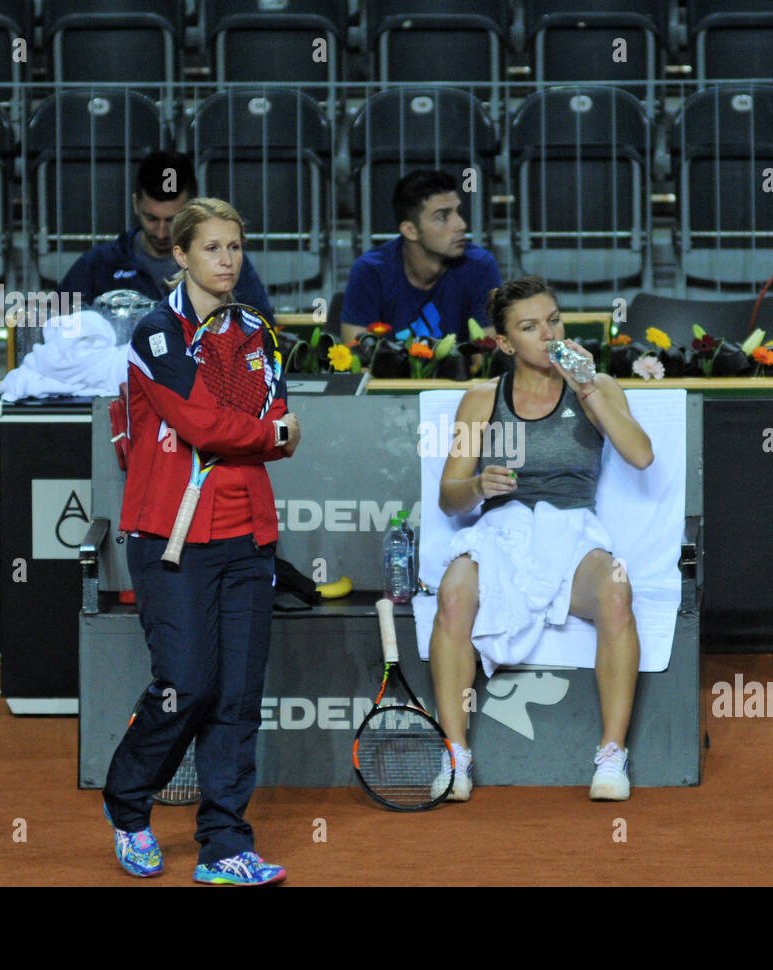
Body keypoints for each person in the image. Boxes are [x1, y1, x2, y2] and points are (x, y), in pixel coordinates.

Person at [102, 197, 300, 885]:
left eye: (236, 248)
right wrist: (258, 432)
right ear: (179, 255)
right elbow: (213, 425)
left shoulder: (258, 332)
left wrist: (255, 430)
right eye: (212, 248)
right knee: (185, 683)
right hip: (170, 535)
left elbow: (275, 421)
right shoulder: (154, 334)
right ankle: (128, 805)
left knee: (237, 694)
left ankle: (224, 843)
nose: (227, 260)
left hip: (248, 531)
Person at [428, 276, 654, 802]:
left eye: (554, 320)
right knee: (454, 595)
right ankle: (456, 756)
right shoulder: (481, 401)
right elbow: (448, 497)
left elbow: (641, 455)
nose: (548, 334)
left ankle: (612, 755)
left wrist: (590, 390)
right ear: (506, 344)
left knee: (617, 591)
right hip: (500, 530)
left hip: (572, 532)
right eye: (530, 327)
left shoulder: (598, 387)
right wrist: (479, 486)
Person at [58, 150, 276, 320]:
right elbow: (56, 326)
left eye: (172, 220)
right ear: (136, 204)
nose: (161, 232)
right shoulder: (99, 264)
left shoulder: (223, 260)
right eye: (151, 219)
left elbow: (260, 324)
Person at [341, 169, 502, 346]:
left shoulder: (480, 267)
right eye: (442, 217)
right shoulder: (370, 271)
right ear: (410, 231)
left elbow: (487, 360)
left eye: (458, 212)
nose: (461, 225)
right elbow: (358, 362)